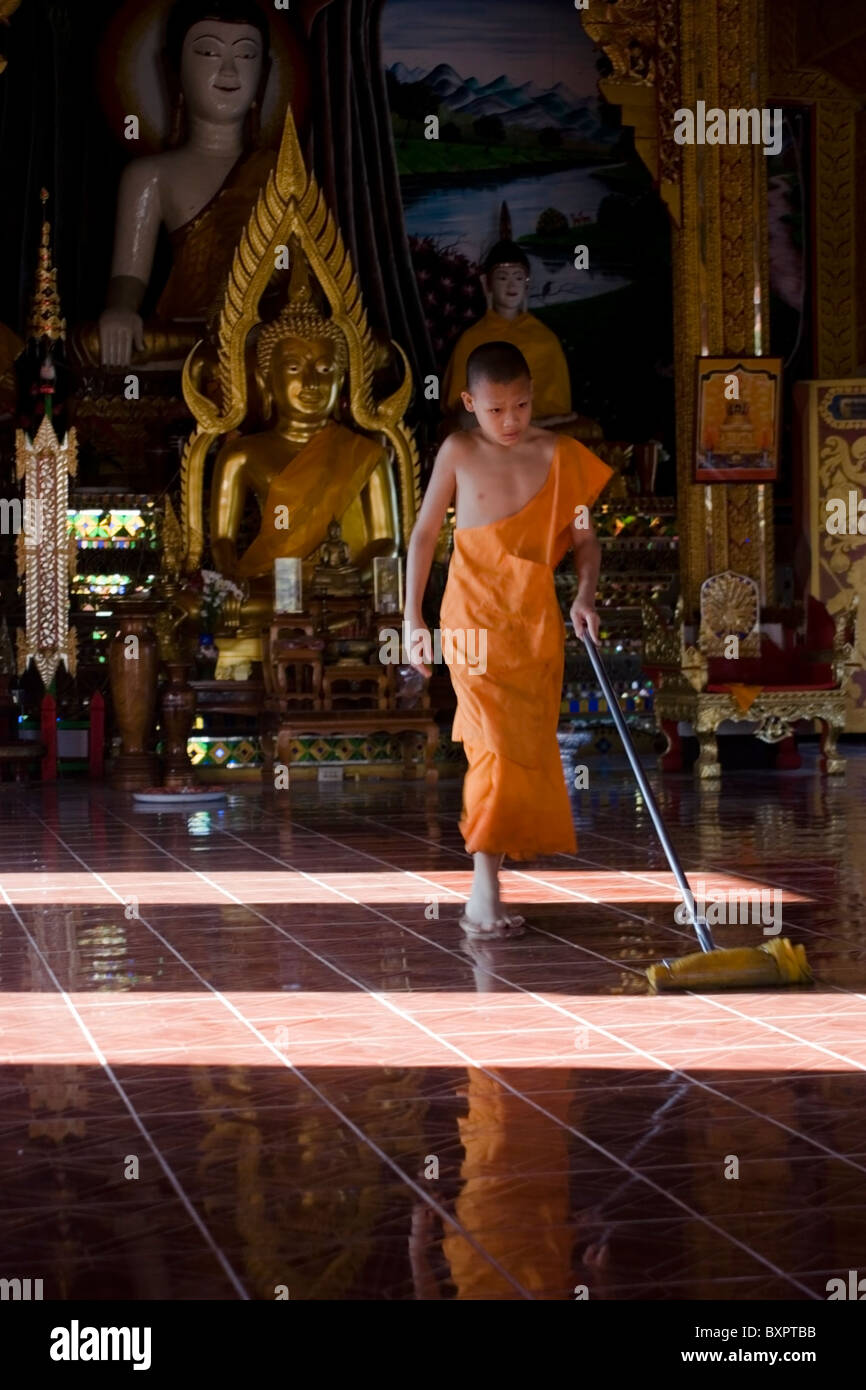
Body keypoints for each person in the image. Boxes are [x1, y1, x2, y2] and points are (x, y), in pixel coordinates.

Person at [405, 341, 612, 939]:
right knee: (490, 744)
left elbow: (585, 539)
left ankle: (490, 877)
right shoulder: (459, 451)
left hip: (534, 622)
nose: (511, 421)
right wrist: (412, 619)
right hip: (470, 617)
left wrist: (585, 595)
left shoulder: (561, 454)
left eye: (521, 405)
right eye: (496, 410)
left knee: (523, 745)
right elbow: (423, 536)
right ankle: (482, 887)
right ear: (470, 403)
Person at [441, 241, 572, 423]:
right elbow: (459, 404)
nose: (511, 286)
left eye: (518, 278)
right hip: (490, 426)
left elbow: (558, 404)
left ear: (527, 284)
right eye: (502, 278)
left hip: (540, 426)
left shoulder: (544, 339)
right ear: (487, 284)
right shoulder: (472, 338)